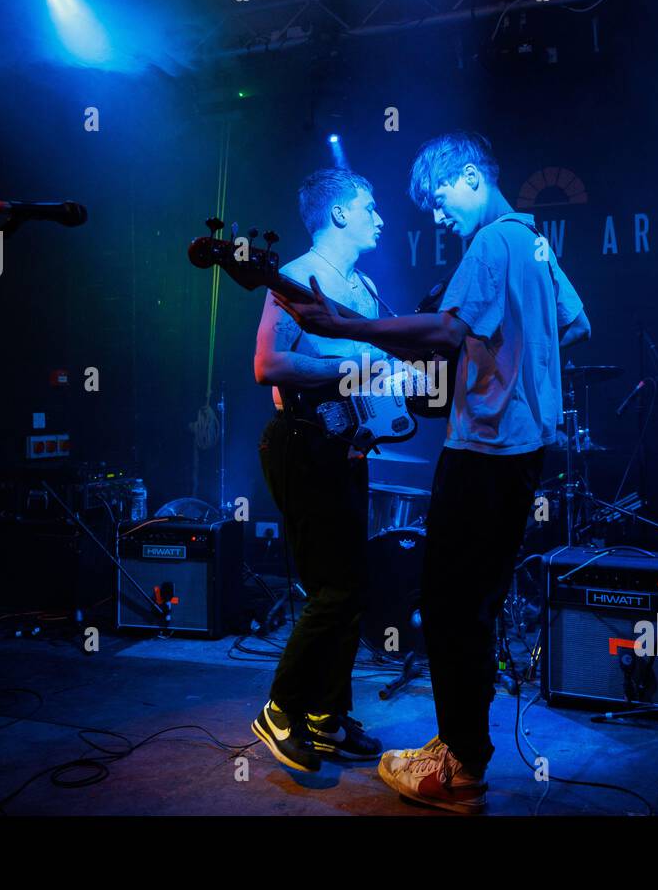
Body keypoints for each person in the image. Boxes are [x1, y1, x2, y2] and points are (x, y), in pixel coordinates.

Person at [275, 133, 590, 811]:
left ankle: (458, 769)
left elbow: (447, 333)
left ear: (472, 177)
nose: (438, 216)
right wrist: (509, 363)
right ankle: (460, 752)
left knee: (448, 612)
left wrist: (347, 327)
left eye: (442, 200)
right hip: (524, 453)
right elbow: (575, 322)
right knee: (473, 608)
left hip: (481, 453)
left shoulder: (491, 241)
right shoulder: (535, 240)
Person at [250, 168, 386, 772]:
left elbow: (380, 365)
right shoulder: (296, 279)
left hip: (344, 448)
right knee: (332, 588)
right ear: (338, 215)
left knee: (352, 587)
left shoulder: (365, 285)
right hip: (302, 444)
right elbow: (267, 365)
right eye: (369, 206)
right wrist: (352, 364)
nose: (379, 218)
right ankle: (280, 710)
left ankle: (325, 717)